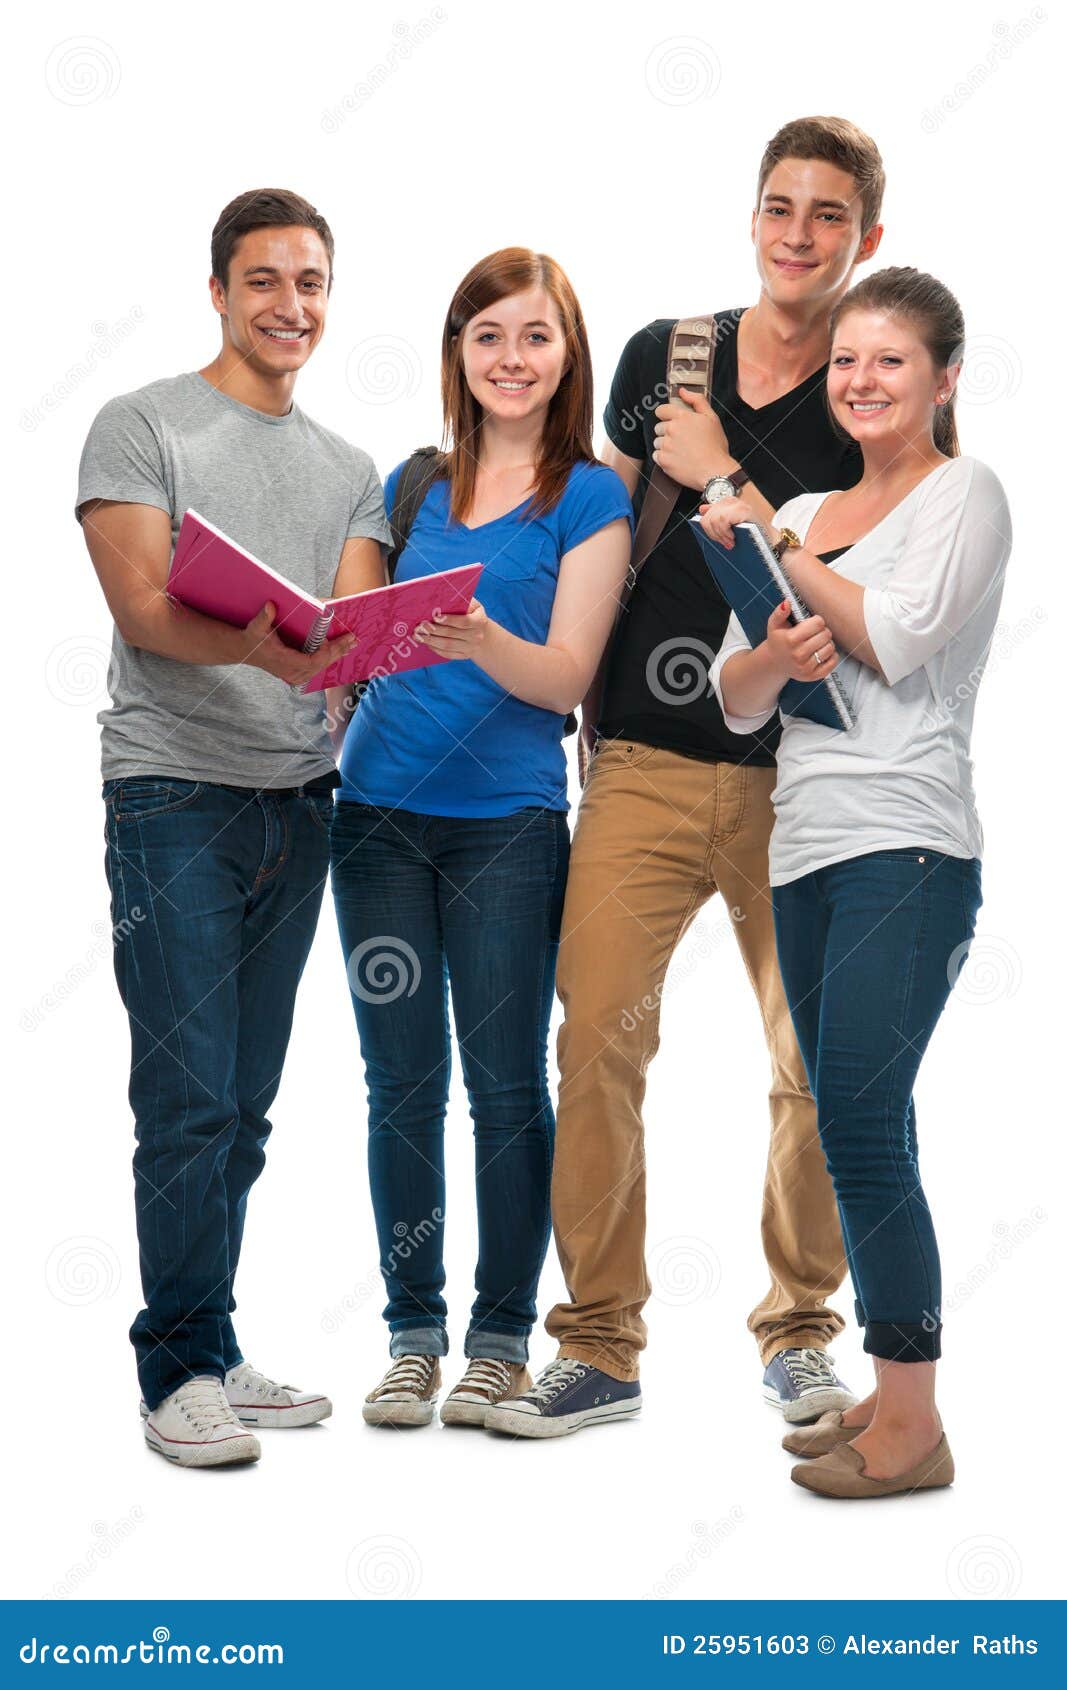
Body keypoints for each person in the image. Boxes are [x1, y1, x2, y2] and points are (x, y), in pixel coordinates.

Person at [488, 117, 885, 1440]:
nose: (794, 233)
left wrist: (726, 478)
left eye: (825, 215)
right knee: (591, 1039)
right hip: (644, 769)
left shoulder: (875, 388)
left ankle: (797, 1334)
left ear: (864, 239)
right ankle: (596, 1343)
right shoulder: (669, 355)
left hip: (812, 781)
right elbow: (598, 515)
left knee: (820, 1064)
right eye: (777, 206)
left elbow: (883, 588)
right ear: (751, 217)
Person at [77, 189, 392, 1467]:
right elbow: (147, 607)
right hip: (170, 791)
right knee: (187, 1092)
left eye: (310, 282)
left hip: (297, 802)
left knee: (246, 1104)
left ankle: (210, 1344)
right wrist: (272, 644)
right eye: (263, 281)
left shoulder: (350, 469)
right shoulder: (140, 423)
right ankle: (172, 1373)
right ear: (217, 290)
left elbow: (356, 637)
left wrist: (358, 650)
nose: (290, 306)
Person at [703, 266, 1011, 1497]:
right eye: (844, 362)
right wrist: (772, 653)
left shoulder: (962, 493)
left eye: (888, 361)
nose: (860, 381)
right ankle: (891, 1398)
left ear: (941, 379)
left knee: (865, 1128)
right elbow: (731, 698)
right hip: (805, 850)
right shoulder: (814, 500)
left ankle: (912, 1426)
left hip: (909, 847)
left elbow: (891, 633)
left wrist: (773, 540)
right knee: (842, 1127)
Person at [327, 247, 632, 1429]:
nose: (512, 358)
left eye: (535, 336)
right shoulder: (412, 484)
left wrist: (471, 637)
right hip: (376, 817)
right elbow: (350, 645)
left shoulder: (590, 494)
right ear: (458, 351)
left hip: (506, 824)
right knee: (399, 1083)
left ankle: (501, 1336)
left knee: (504, 1085)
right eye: (488, 335)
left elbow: (562, 676)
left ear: (567, 353)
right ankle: (412, 1334)